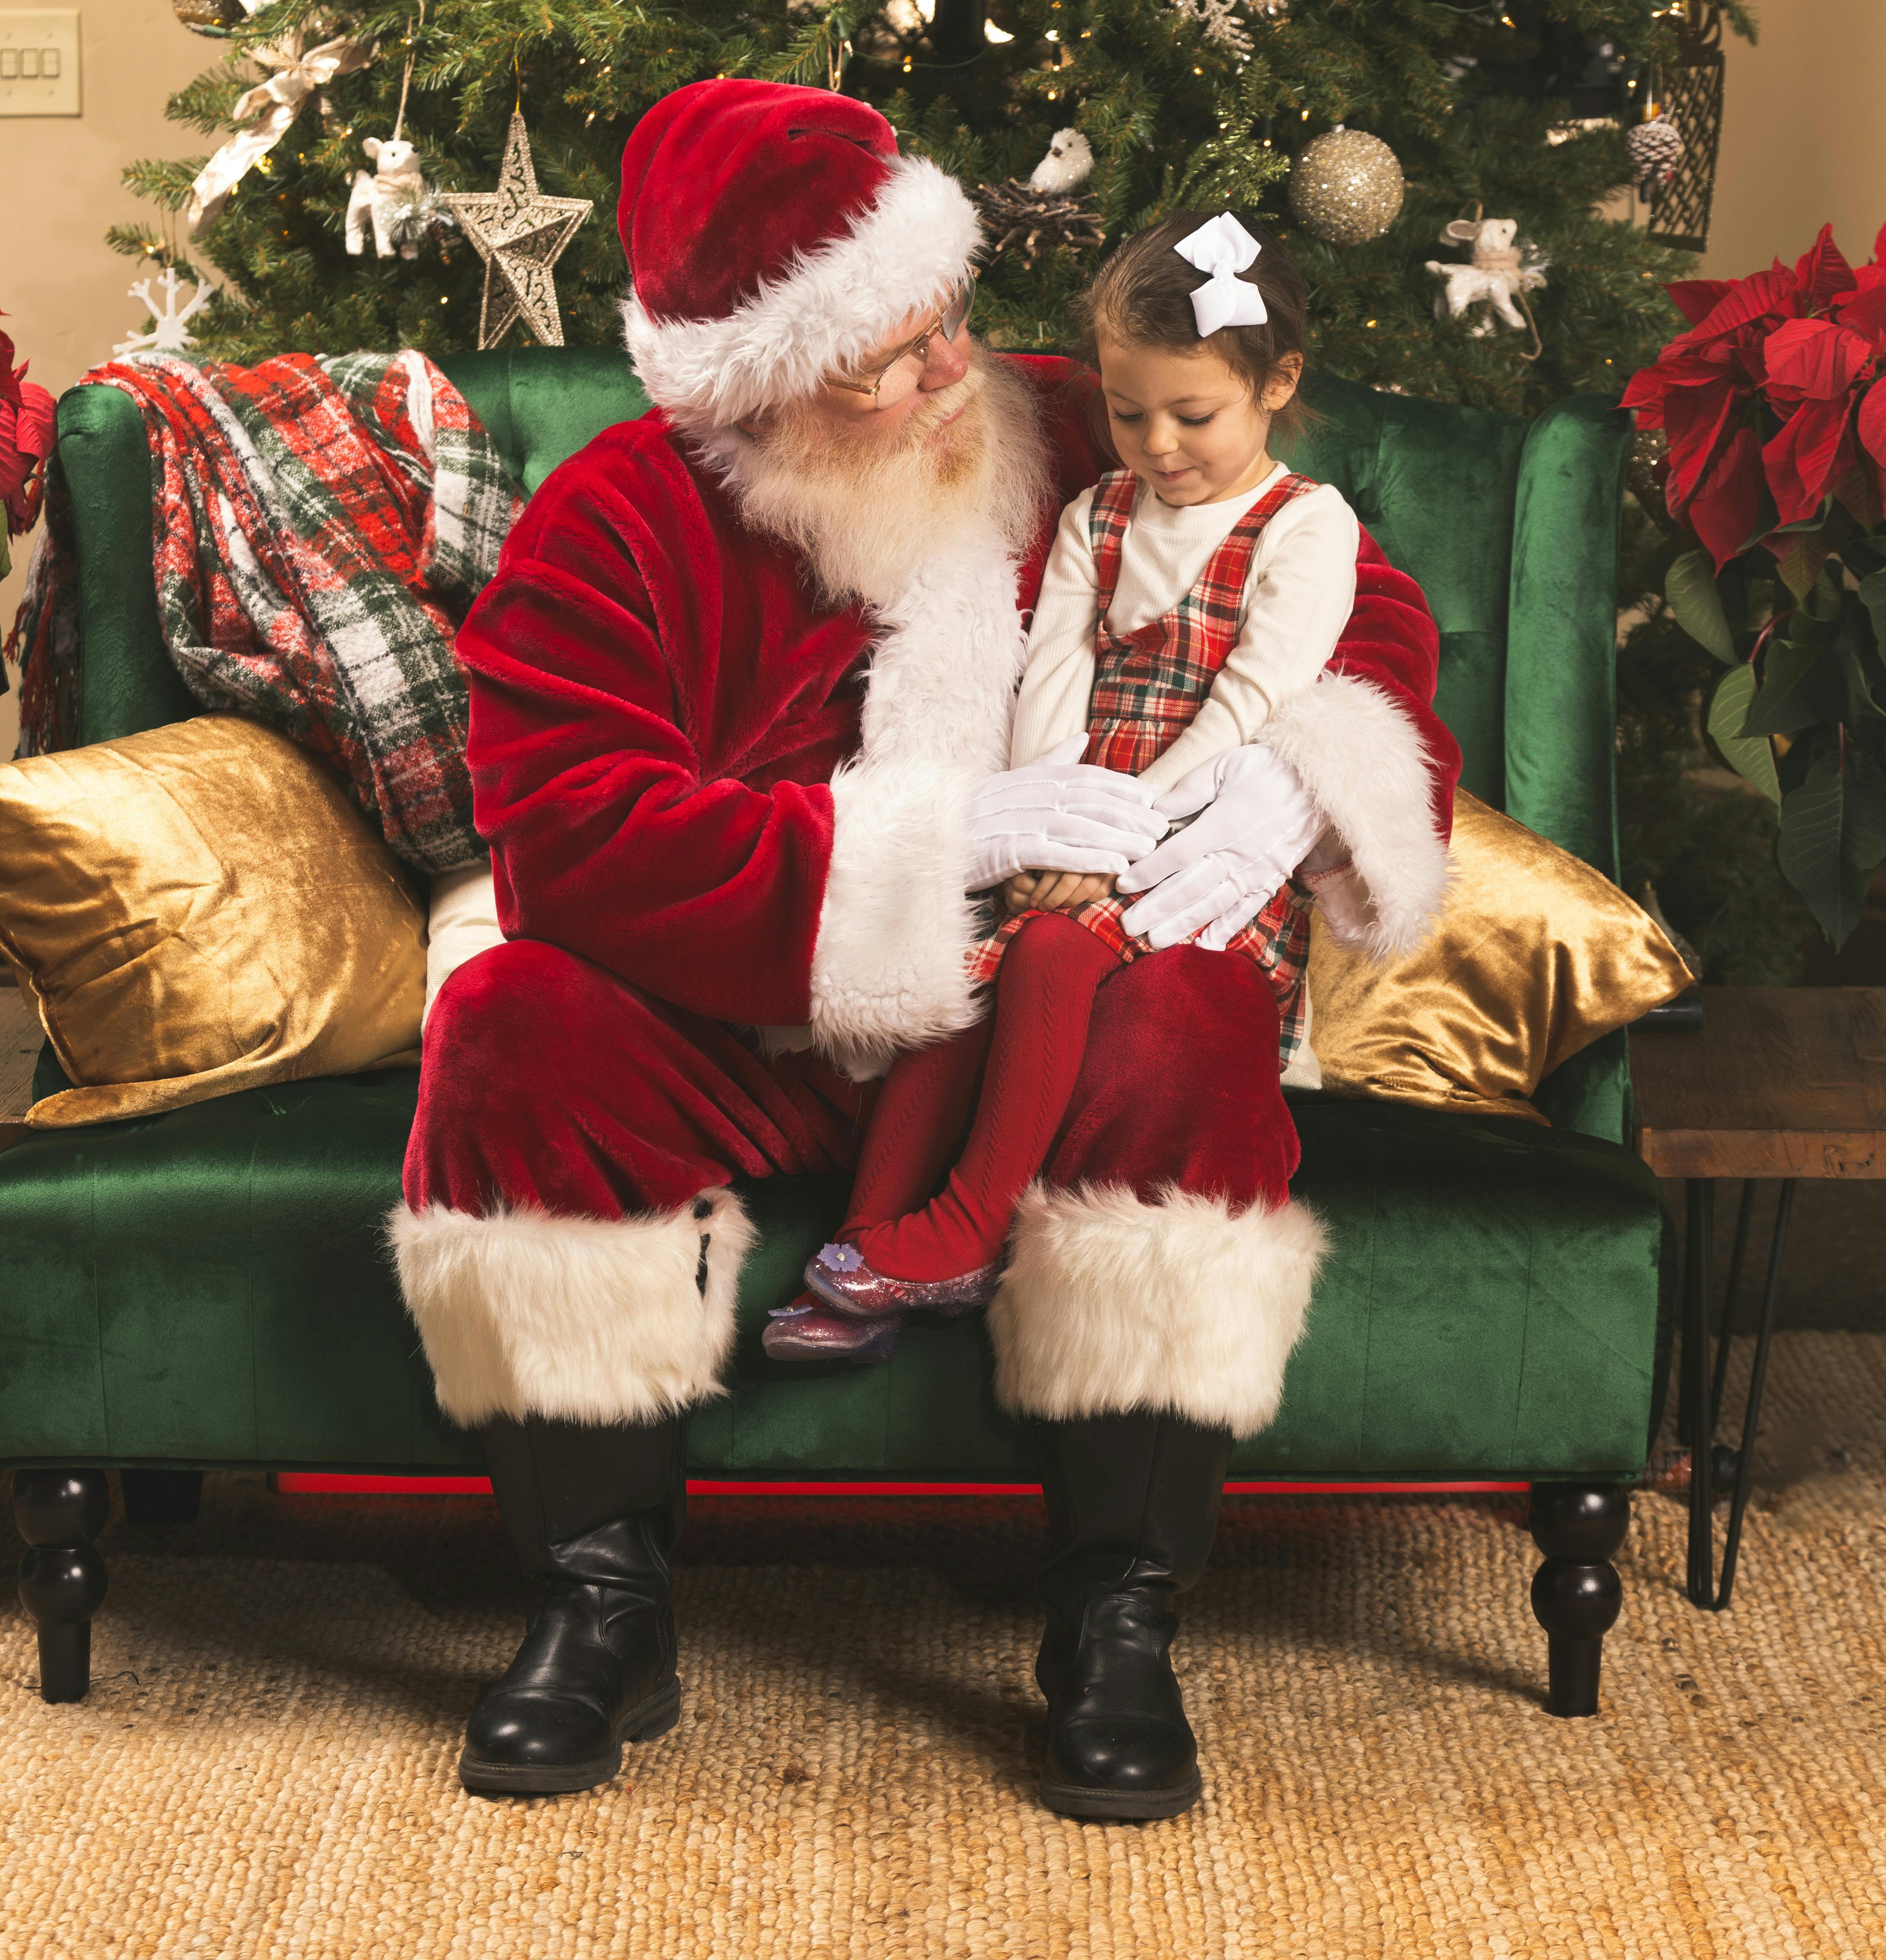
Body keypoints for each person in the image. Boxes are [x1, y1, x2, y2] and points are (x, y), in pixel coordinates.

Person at [392, 77, 1460, 1820]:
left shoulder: (1067, 421)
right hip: (757, 1043)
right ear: (747, 383)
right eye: (880, 358)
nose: (945, 373)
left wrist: (1305, 766)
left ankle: (1119, 1604)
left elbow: (1362, 595)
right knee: (508, 1016)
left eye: (944, 318)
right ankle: (600, 1589)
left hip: (1049, 1018)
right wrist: (925, 844)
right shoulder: (618, 520)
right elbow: (566, 825)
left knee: (1193, 1007)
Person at [772, 210, 1369, 1364]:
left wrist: (1120, 835)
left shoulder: (1306, 530)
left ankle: (964, 1230)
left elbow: (1251, 701)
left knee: (1045, 955)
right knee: (954, 975)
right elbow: (1053, 671)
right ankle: (868, 1251)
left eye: (1193, 416)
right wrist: (1051, 811)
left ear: (1278, 381)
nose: (1158, 443)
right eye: (1127, 411)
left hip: (1194, 859)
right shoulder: (1099, 518)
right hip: (1074, 828)